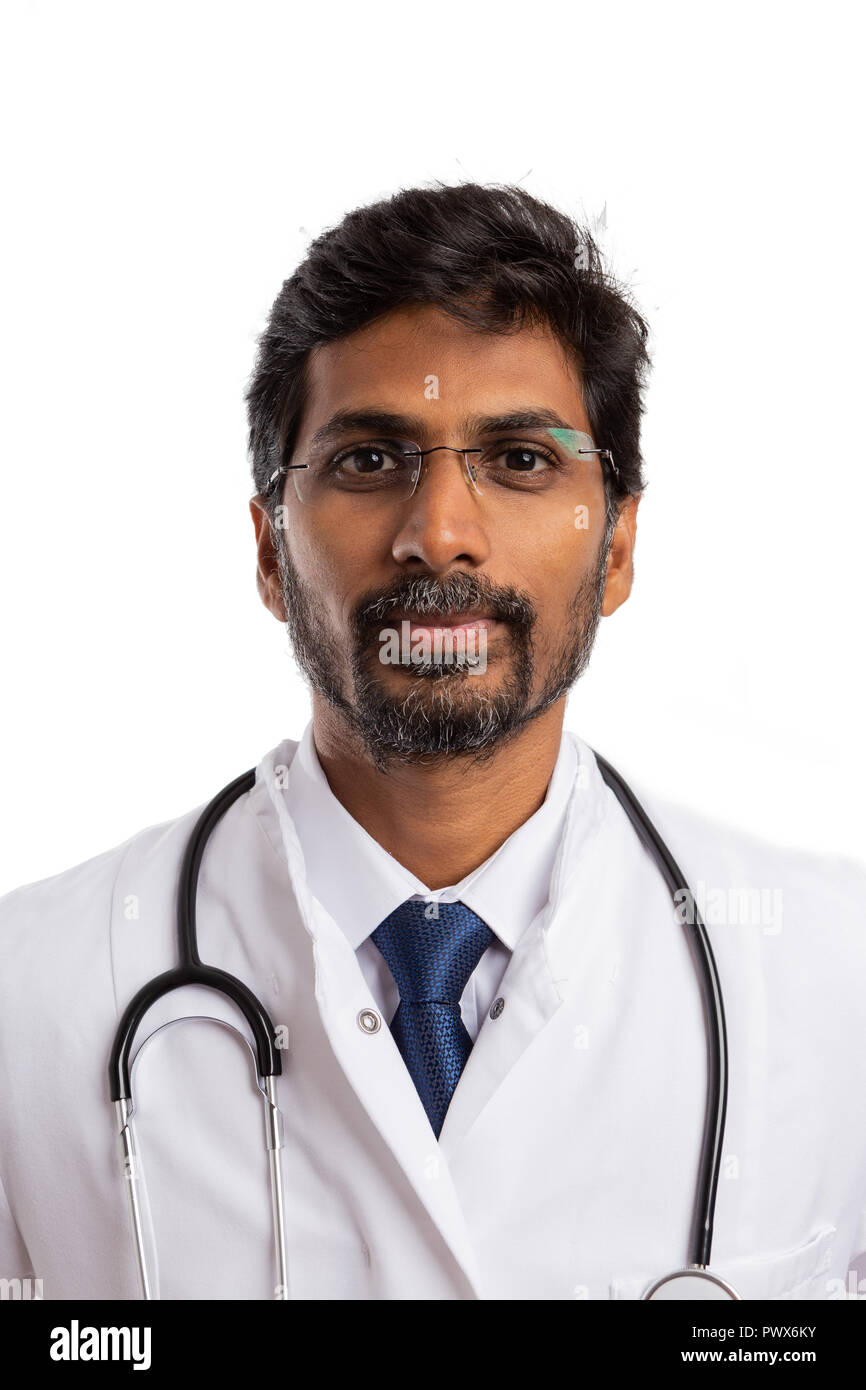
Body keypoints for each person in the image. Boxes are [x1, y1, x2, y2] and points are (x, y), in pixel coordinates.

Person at [1, 183, 864, 1302]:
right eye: (368, 460)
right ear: (269, 552)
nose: (439, 535)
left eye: (517, 460)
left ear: (615, 547)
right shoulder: (30, 994)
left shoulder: (830, 976)